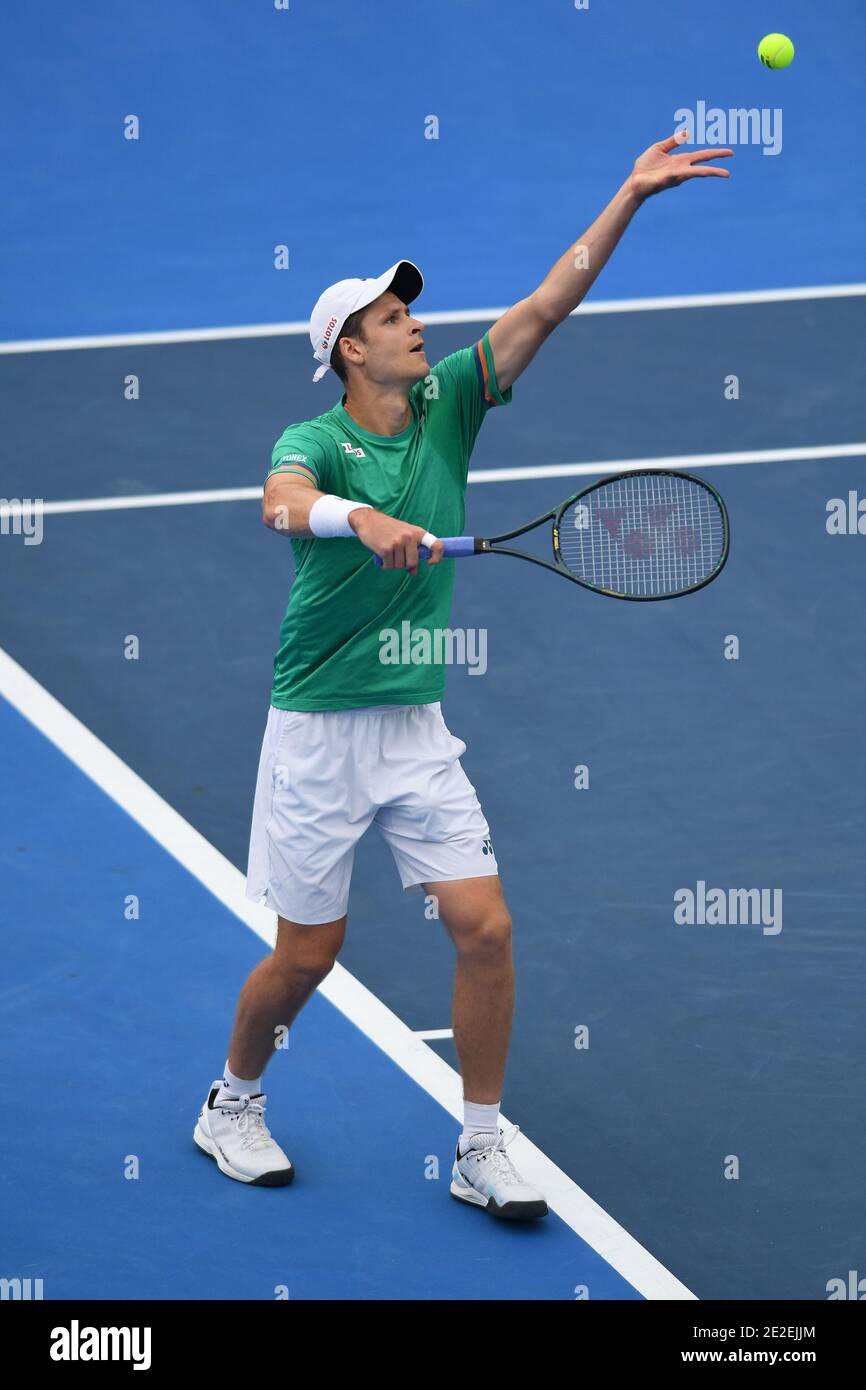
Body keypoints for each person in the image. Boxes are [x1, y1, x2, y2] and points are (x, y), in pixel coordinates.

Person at [194, 130, 732, 1218]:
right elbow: (278, 506)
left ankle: (479, 1146)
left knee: (483, 929)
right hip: (316, 732)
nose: (413, 324)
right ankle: (231, 1102)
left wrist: (626, 195)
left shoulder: (449, 404)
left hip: (412, 728)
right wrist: (366, 519)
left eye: (408, 313)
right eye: (392, 318)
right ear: (350, 350)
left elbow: (545, 305)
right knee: (306, 960)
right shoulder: (316, 439)